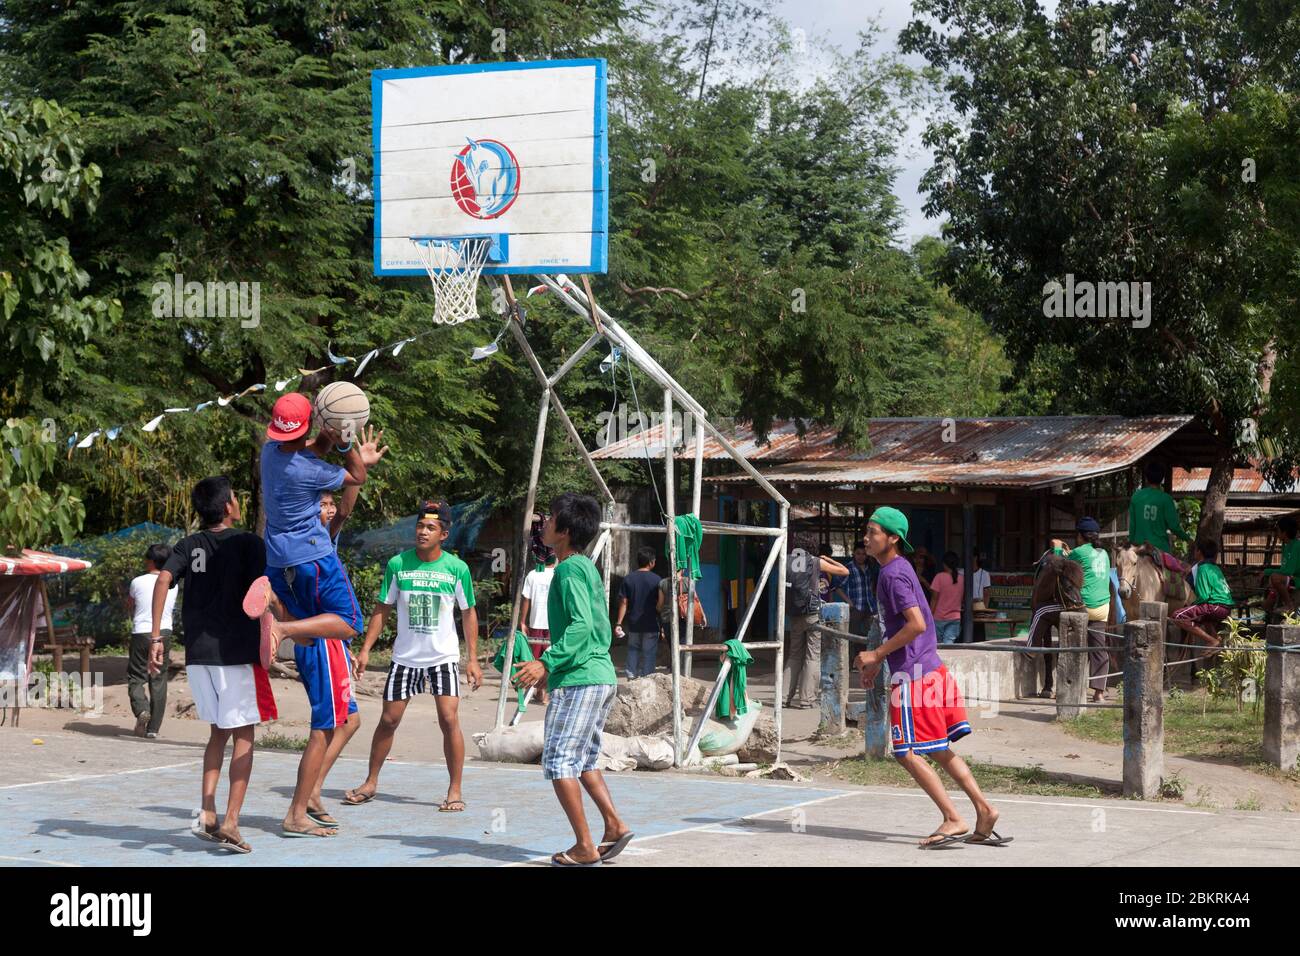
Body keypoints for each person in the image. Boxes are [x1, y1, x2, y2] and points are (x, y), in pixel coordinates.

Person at [245, 393, 387, 838]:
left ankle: (281, 611)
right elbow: (355, 478)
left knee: (341, 712)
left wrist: (326, 435)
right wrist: (347, 443)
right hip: (312, 559)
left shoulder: (271, 454)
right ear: (310, 430)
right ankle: (296, 812)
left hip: (279, 563)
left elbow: (305, 452)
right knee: (347, 626)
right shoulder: (313, 471)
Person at [855, 507, 1007, 848]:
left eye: (874, 532)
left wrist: (877, 654)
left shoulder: (892, 575)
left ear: (893, 539)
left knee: (905, 751)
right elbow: (903, 626)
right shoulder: (902, 568)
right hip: (930, 669)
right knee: (938, 750)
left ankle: (954, 818)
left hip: (913, 677)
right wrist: (881, 660)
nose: (867, 537)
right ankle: (984, 809)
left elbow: (917, 624)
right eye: (867, 531)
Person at [149, 476, 276, 854]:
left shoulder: (188, 544)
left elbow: (163, 579)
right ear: (228, 507)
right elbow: (266, 588)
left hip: (198, 655)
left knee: (217, 733)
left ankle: (207, 811)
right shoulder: (248, 543)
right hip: (236, 654)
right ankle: (232, 822)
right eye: (236, 498)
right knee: (244, 735)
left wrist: (156, 636)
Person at [512, 492, 633, 867]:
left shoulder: (566, 570)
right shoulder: (583, 566)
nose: (544, 524)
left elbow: (580, 624)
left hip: (580, 678)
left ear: (564, 531)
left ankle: (584, 846)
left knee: (560, 760)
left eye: (549, 519)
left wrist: (546, 662)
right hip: (599, 675)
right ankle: (613, 826)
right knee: (583, 759)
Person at [343, 500, 480, 812]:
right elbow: (382, 609)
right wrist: (365, 650)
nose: (422, 531)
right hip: (405, 658)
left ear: (444, 534)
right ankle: (371, 781)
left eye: (431, 527)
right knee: (389, 720)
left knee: (449, 719)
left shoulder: (457, 569)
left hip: (443, 658)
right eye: (420, 525)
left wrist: (472, 659)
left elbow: (468, 613)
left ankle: (454, 790)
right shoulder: (398, 565)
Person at [300, 486, 363, 830]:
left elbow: (343, 513)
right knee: (326, 725)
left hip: (332, 642)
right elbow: (344, 513)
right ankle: (305, 799)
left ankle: (313, 790)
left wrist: (346, 648)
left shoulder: (324, 542)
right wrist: (353, 471)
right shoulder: (308, 543)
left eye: (329, 503)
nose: (329, 509)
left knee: (350, 721)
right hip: (320, 642)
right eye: (321, 504)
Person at [782, 534, 849, 710]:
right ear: (811, 546)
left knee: (794, 654)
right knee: (812, 655)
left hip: (794, 613)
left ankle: (783, 697)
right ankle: (806, 699)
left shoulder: (786, 559)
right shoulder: (815, 561)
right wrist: (828, 559)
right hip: (812, 613)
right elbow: (845, 571)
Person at [1052, 518, 1113, 703]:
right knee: (1099, 649)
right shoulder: (1104, 553)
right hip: (1103, 608)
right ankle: (1099, 693)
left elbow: (1058, 565)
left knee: (1072, 647)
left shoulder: (1078, 552)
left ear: (1079, 536)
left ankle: (1066, 688)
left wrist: (1056, 548)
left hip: (1084, 607)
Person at [127, 543, 177, 738]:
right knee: (158, 677)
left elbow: (131, 604)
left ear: (150, 561)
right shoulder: (173, 583)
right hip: (164, 632)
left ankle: (141, 710)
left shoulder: (137, 582)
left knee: (136, 677)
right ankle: (153, 729)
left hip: (141, 632)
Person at [1128, 460, 1192, 574]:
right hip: (1159, 550)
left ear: (1146, 478)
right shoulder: (1166, 499)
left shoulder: (1136, 496)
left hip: (1138, 548)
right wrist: (1188, 539)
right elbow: (1174, 527)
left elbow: (1132, 526)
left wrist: (1133, 544)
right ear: (1162, 479)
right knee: (1180, 577)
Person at [1172, 540, 1234, 649]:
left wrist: (1191, 606)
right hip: (1226, 607)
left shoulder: (1202, 568)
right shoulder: (1215, 568)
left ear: (1199, 552)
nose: (1194, 553)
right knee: (1206, 619)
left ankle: (1211, 641)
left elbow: (1204, 597)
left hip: (1215, 605)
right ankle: (1216, 640)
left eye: (1195, 550)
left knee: (1177, 616)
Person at [519, 542, 558, 704]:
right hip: (553, 623)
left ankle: (538, 691)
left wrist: (522, 621)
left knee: (535, 659)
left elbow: (526, 599)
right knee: (550, 659)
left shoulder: (532, 575)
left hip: (536, 622)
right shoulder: (558, 573)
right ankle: (545, 694)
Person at [616, 546, 661, 679]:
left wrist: (618, 623)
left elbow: (624, 603)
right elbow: (660, 604)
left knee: (633, 650)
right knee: (649, 653)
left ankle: (631, 677)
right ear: (651, 562)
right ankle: (647, 680)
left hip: (634, 623)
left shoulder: (628, 579)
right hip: (652, 623)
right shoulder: (657, 580)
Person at [927, 551, 964, 645]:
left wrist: (930, 614)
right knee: (949, 643)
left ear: (944, 564)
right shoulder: (962, 579)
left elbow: (934, 598)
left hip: (939, 617)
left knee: (937, 645)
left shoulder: (939, 577)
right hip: (955, 617)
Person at [843, 541, 878, 639]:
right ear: (853, 553)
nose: (861, 556)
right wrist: (848, 602)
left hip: (871, 607)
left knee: (872, 636)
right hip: (855, 607)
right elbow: (836, 587)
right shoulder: (848, 568)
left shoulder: (870, 567)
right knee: (852, 637)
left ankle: (870, 654)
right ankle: (852, 654)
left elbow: (872, 583)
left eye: (864, 554)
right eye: (858, 553)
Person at [1265, 516, 1300, 615]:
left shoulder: (1297, 546)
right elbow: (1284, 569)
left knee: (1275, 578)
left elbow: (1288, 571)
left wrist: (1267, 572)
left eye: (1278, 530)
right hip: (1291, 579)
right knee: (1266, 604)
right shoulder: (1286, 545)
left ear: (1284, 533)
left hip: (1297, 579)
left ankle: (1289, 605)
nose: (1277, 533)